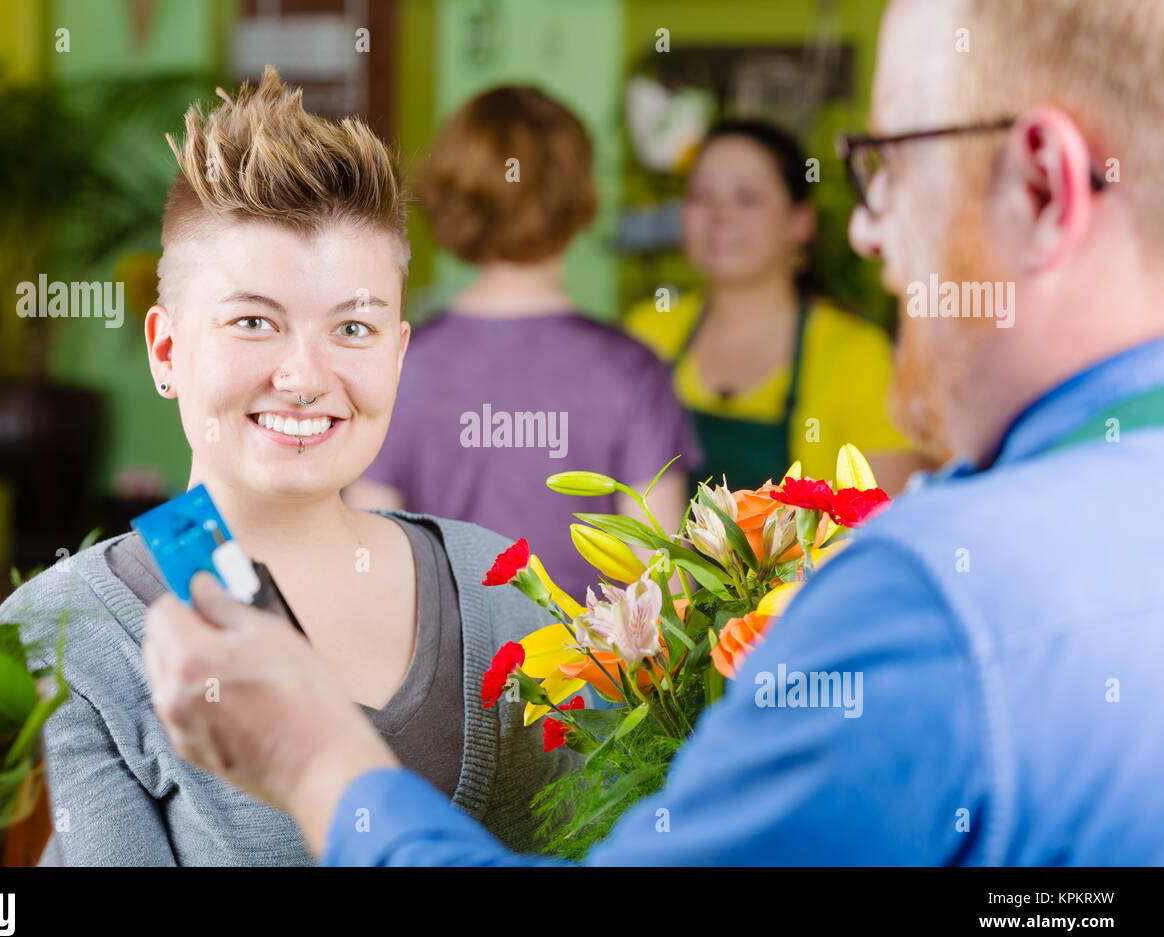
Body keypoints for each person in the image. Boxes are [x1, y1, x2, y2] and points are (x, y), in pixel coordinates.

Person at [143, 0, 1164, 865]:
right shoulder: (642, 361)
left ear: (1041, 186)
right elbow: (656, 572)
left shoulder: (933, 603)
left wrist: (317, 755)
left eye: (886, 164)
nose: (865, 227)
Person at [0, 67, 576, 865]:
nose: (304, 376)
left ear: (400, 355)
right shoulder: (61, 637)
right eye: (255, 322)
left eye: (354, 330)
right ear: (166, 350)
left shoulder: (499, 589)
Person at [342, 86, 701, 602]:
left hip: (449, 677)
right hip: (595, 682)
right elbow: (666, 589)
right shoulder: (632, 371)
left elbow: (372, 569)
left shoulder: (403, 364)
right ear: (581, 200)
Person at [625, 119, 933, 495]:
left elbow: (884, 528)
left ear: (799, 222)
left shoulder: (858, 356)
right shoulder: (646, 333)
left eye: (746, 197)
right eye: (701, 195)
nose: (720, 215)